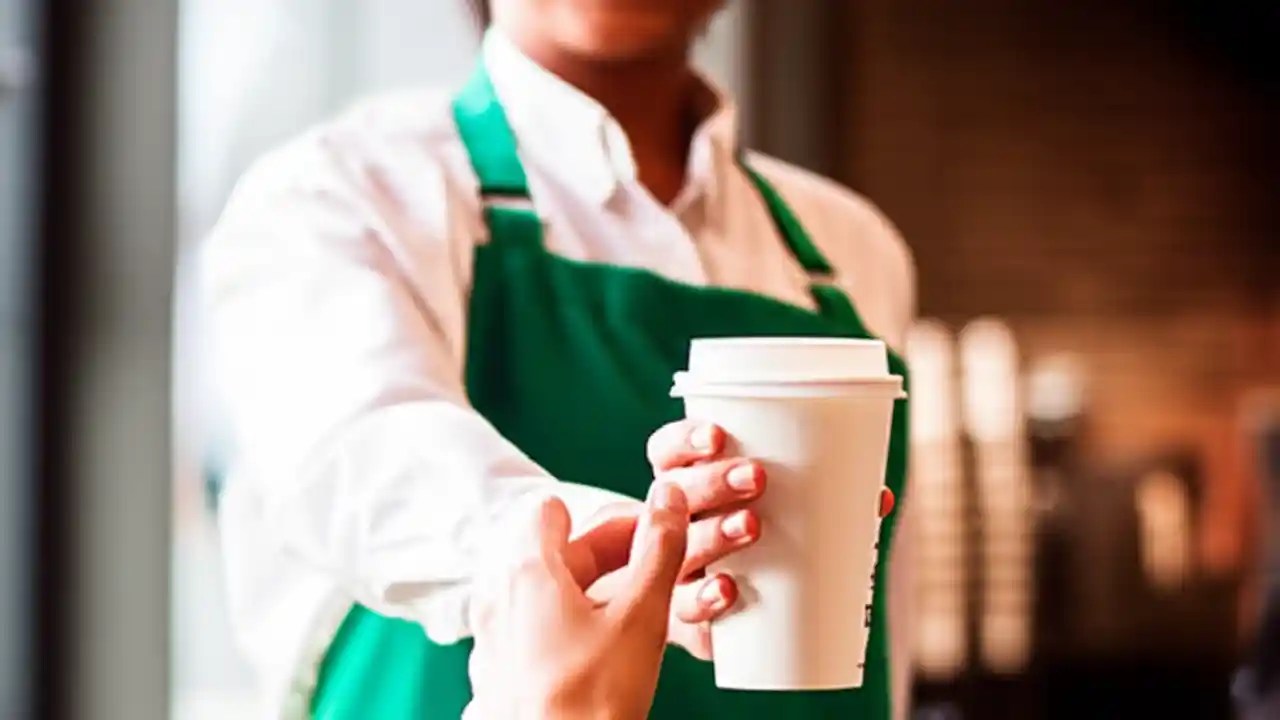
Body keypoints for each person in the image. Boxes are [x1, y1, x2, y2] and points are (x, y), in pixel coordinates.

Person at [202, 0, 916, 718]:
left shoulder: (854, 250)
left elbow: (887, 608)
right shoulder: (344, 193)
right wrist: (632, 549)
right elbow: (363, 459)